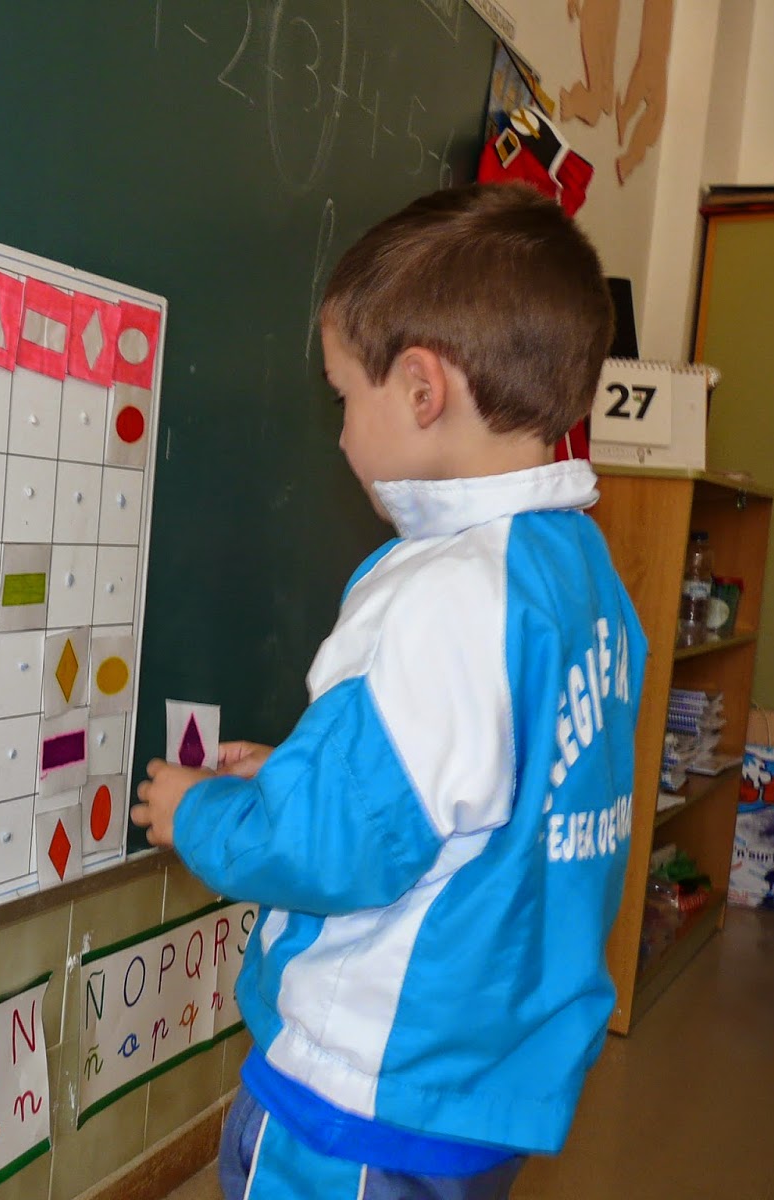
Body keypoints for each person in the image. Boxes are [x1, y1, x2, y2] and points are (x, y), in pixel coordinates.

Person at [131, 183, 647, 1200]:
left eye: (342, 398)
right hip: (482, 1079)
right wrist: (304, 770)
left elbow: (326, 847)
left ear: (419, 390)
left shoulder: (440, 594)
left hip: (366, 1102)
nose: (336, 436)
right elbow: (483, 789)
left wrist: (199, 813)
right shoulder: (578, 575)